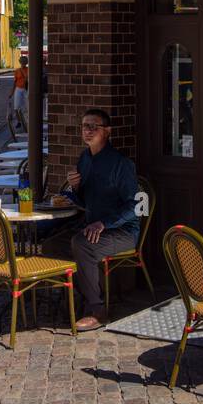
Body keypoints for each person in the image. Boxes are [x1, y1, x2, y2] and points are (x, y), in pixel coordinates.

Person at [66, 107, 139, 332]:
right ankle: (74, 296)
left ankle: (97, 310)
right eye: (84, 126)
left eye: (93, 126)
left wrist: (104, 223)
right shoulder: (84, 159)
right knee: (52, 243)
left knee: (83, 245)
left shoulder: (121, 164)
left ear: (106, 131)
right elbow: (84, 200)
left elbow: (136, 206)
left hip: (123, 231)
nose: (87, 131)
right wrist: (74, 188)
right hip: (91, 226)